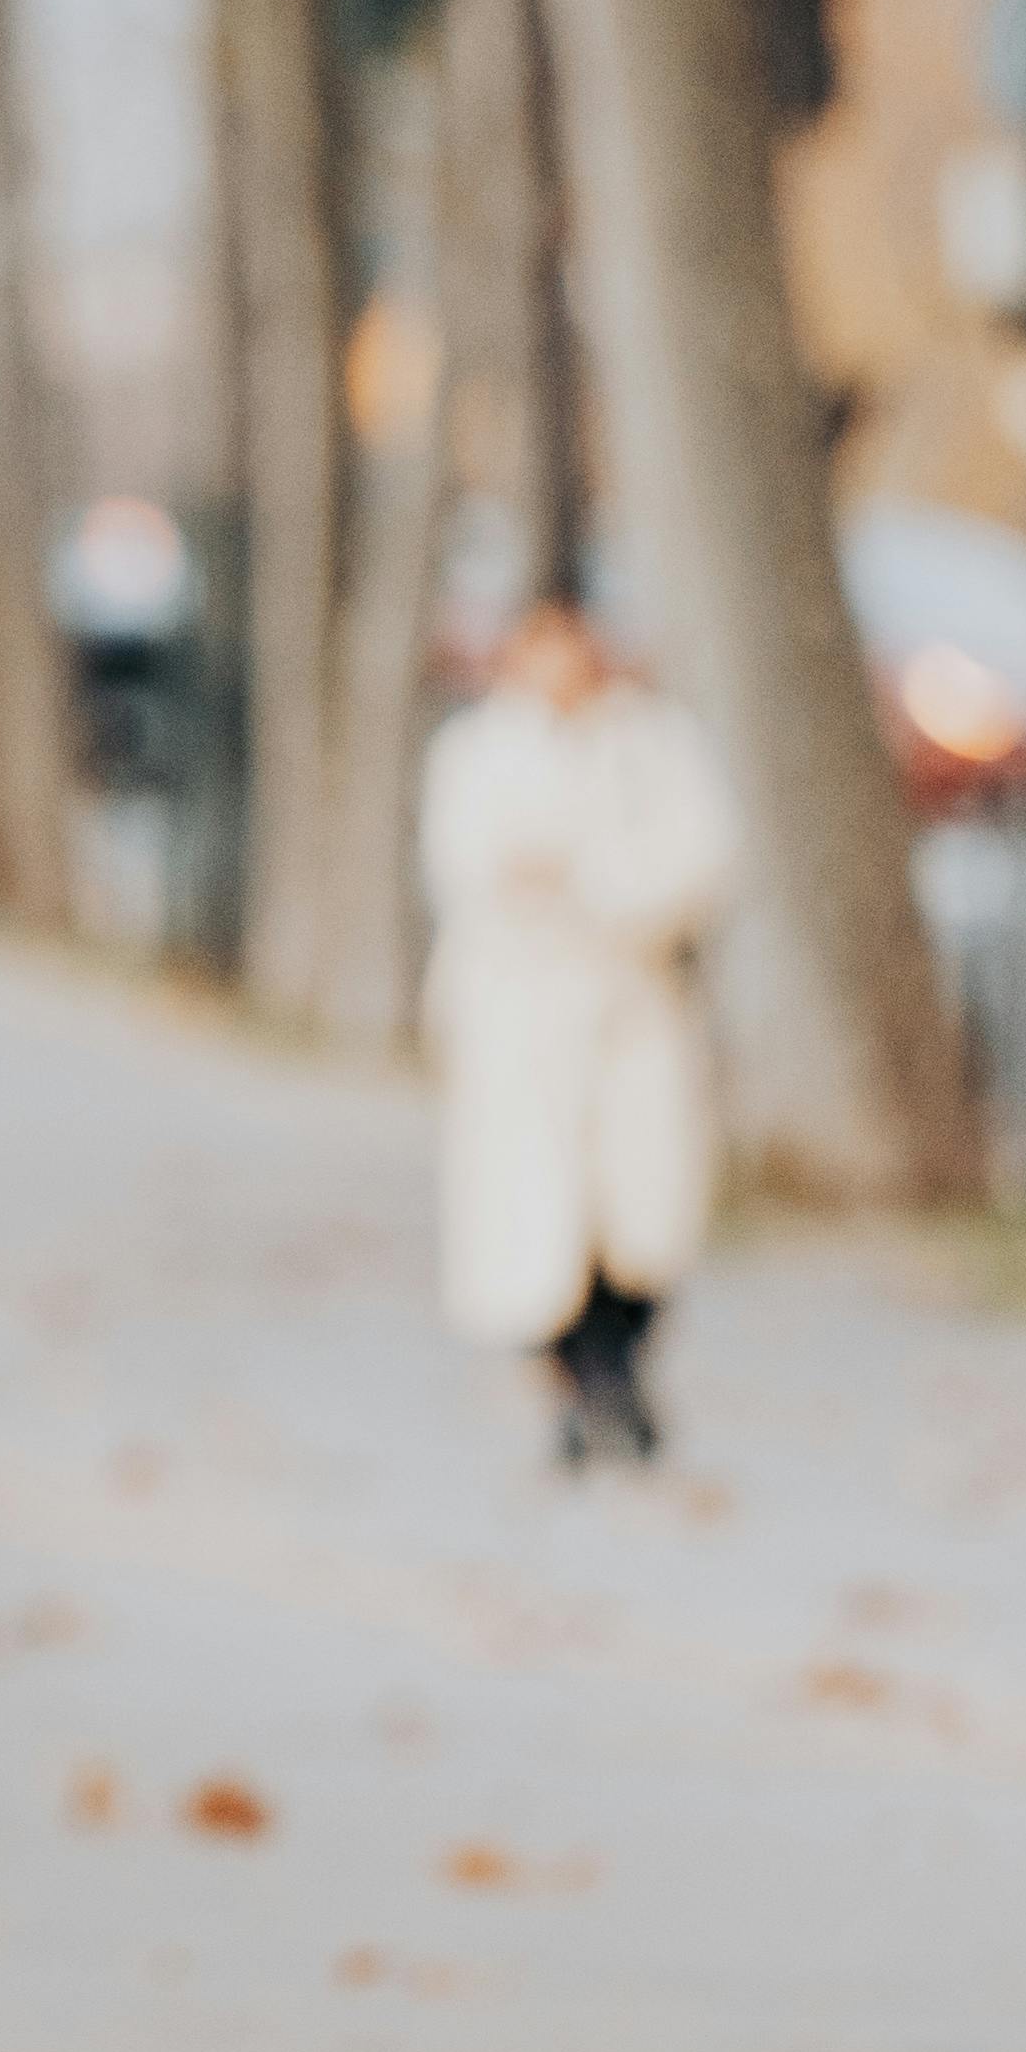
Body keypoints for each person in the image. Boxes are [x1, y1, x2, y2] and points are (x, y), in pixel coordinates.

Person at [417, 590, 740, 1465]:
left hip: (631, 1009)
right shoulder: (480, 749)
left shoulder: (653, 744)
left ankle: (620, 1372)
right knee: (534, 1221)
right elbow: (472, 872)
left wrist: (587, 886)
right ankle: (577, 1386)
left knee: (637, 1210)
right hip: (522, 1016)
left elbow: (693, 861)